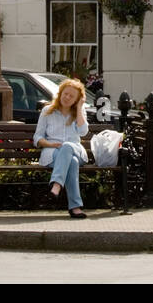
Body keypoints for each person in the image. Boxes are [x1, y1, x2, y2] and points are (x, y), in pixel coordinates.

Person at [33, 78, 90, 218]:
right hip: (52, 152)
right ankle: (75, 207)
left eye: (72, 96)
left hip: (75, 149)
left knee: (68, 147)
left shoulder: (79, 112)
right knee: (72, 162)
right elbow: (37, 137)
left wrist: (79, 108)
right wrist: (50, 144)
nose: (67, 97)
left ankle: (57, 184)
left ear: (77, 99)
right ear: (60, 93)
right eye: (65, 93)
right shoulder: (47, 111)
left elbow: (83, 132)